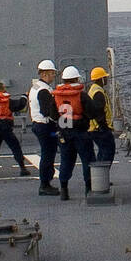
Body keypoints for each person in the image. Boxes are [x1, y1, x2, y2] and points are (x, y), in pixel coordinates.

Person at [53, 66, 94, 201]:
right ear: (77, 78)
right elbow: (92, 112)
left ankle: (64, 189)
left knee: (66, 161)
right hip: (80, 132)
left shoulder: (56, 95)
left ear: (63, 79)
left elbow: (52, 113)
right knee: (87, 161)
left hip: (64, 131)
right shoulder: (81, 95)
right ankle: (89, 189)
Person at [0, 79, 31, 178]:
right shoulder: (7, 101)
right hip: (6, 128)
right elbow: (20, 105)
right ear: (2, 89)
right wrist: (24, 96)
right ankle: (22, 168)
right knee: (15, 147)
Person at [28, 60, 61, 195]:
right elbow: (47, 111)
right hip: (45, 126)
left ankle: (46, 182)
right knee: (48, 155)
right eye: (53, 73)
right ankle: (44, 184)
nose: (54, 76)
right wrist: (61, 121)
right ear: (46, 73)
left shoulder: (35, 87)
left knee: (47, 154)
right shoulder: (43, 90)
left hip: (37, 124)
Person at [86, 66, 115, 164]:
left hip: (95, 128)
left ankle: (100, 177)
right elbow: (99, 113)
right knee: (108, 151)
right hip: (99, 129)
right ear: (101, 79)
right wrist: (105, 128)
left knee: (103, 151)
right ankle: (102, 177)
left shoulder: (93, 89)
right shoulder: (98, 93)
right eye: (105, 77)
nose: (106, 79)